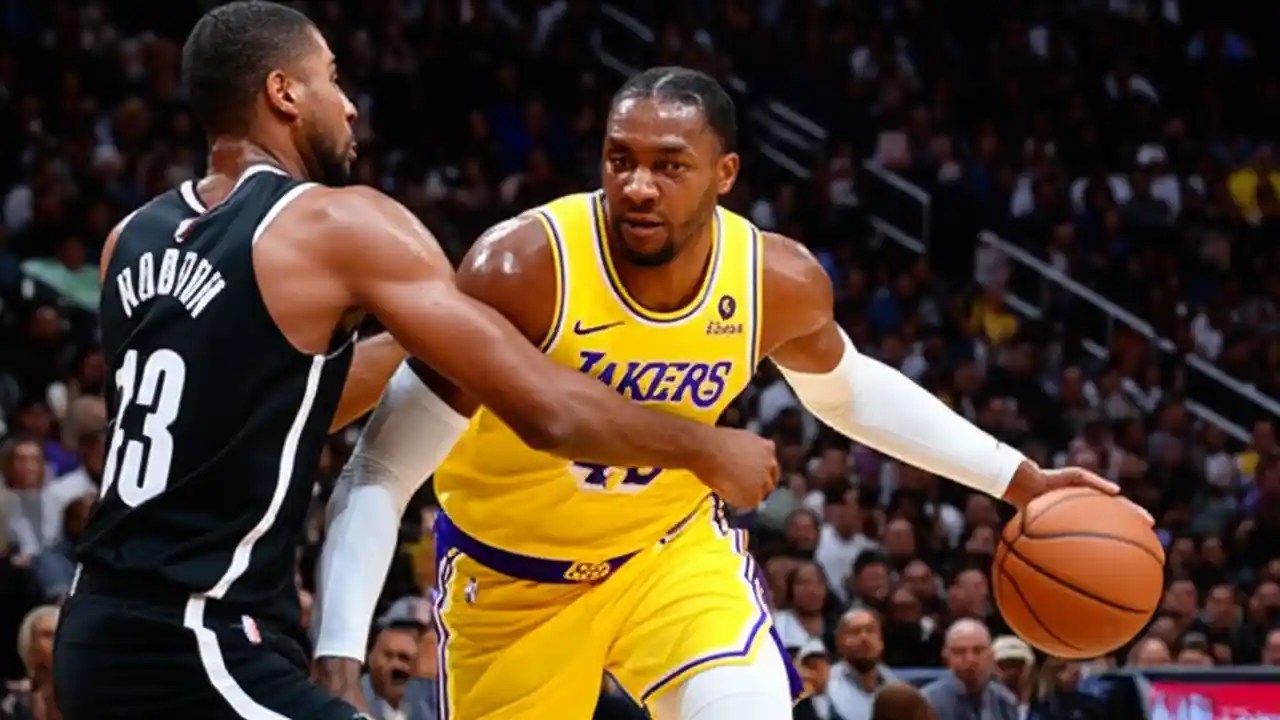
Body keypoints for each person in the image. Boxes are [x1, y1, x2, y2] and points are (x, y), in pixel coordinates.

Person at [312, 66, 1134, 720]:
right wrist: (339, 661)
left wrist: (1018, 479)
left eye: (670, 166)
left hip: (666, 557)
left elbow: (848, 392)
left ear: (725, 173)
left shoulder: (776, 279)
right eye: (621, 159)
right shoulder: (523, 268)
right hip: (508, 582)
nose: (638, 185)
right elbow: (382, 469)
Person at [51, 5, 777, 719]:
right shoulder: (336, 222)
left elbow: (266, 410)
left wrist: (440, 331)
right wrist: (706, 448)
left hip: (96, 628)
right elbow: (548, 413)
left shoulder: (131, 238)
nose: (349, 106)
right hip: (196, 638)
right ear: (283, 92)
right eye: (332, 77)